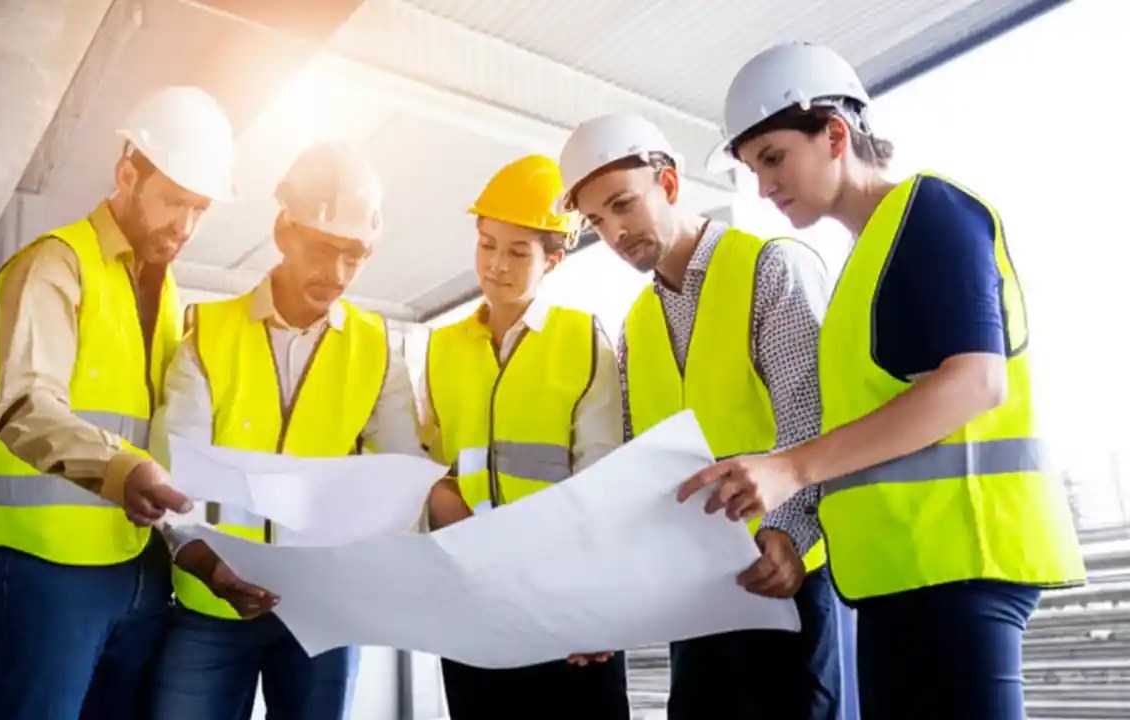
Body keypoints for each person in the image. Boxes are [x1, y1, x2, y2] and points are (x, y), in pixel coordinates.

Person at [686, 40, 1088, 719]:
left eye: (774, 158)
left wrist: (792, 467)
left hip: (963, 565)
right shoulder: (863, 262)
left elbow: (974, 383)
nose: (765, 186)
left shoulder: (932, 212)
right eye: (755, 169)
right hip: (898, 576)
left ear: (835, 133)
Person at [559, 113, 842, 720]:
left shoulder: (770, 268)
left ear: (667, 184)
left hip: (784, 579)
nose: (614, 232)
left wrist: (789, 535)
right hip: (697, 592)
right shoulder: (636, 322)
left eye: (622, 205)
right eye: (598, 222)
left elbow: (810, 417)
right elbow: (637, 471)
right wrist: (614, 598)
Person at [0, 86, 236, 719]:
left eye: (199, 208)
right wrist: (121, 469)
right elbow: (25, 404)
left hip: (139, 572)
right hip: (47, 573)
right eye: (174, 201)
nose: (186, 226)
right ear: (126, 175)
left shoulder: (169, 294)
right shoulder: (56, 265)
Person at [146, 140, 426, 720]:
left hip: (321, 613)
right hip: (211, 605)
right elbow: (171, 474)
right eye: (325, 250)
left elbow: (403, 480)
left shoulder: (376, 351)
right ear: (283, 231)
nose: (339, 275)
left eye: (356, 256)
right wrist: (209, 565)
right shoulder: (209, 332)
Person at [419, 154, 630, 719]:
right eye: (487, 244)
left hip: (564, 602)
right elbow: (428, 469)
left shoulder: (582, 341)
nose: (497, 265)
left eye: (518, 251)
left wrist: (592, 601)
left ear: (554, 260)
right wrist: (437, 497)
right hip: (476, 605)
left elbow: (604, 484)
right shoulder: (441, 350)